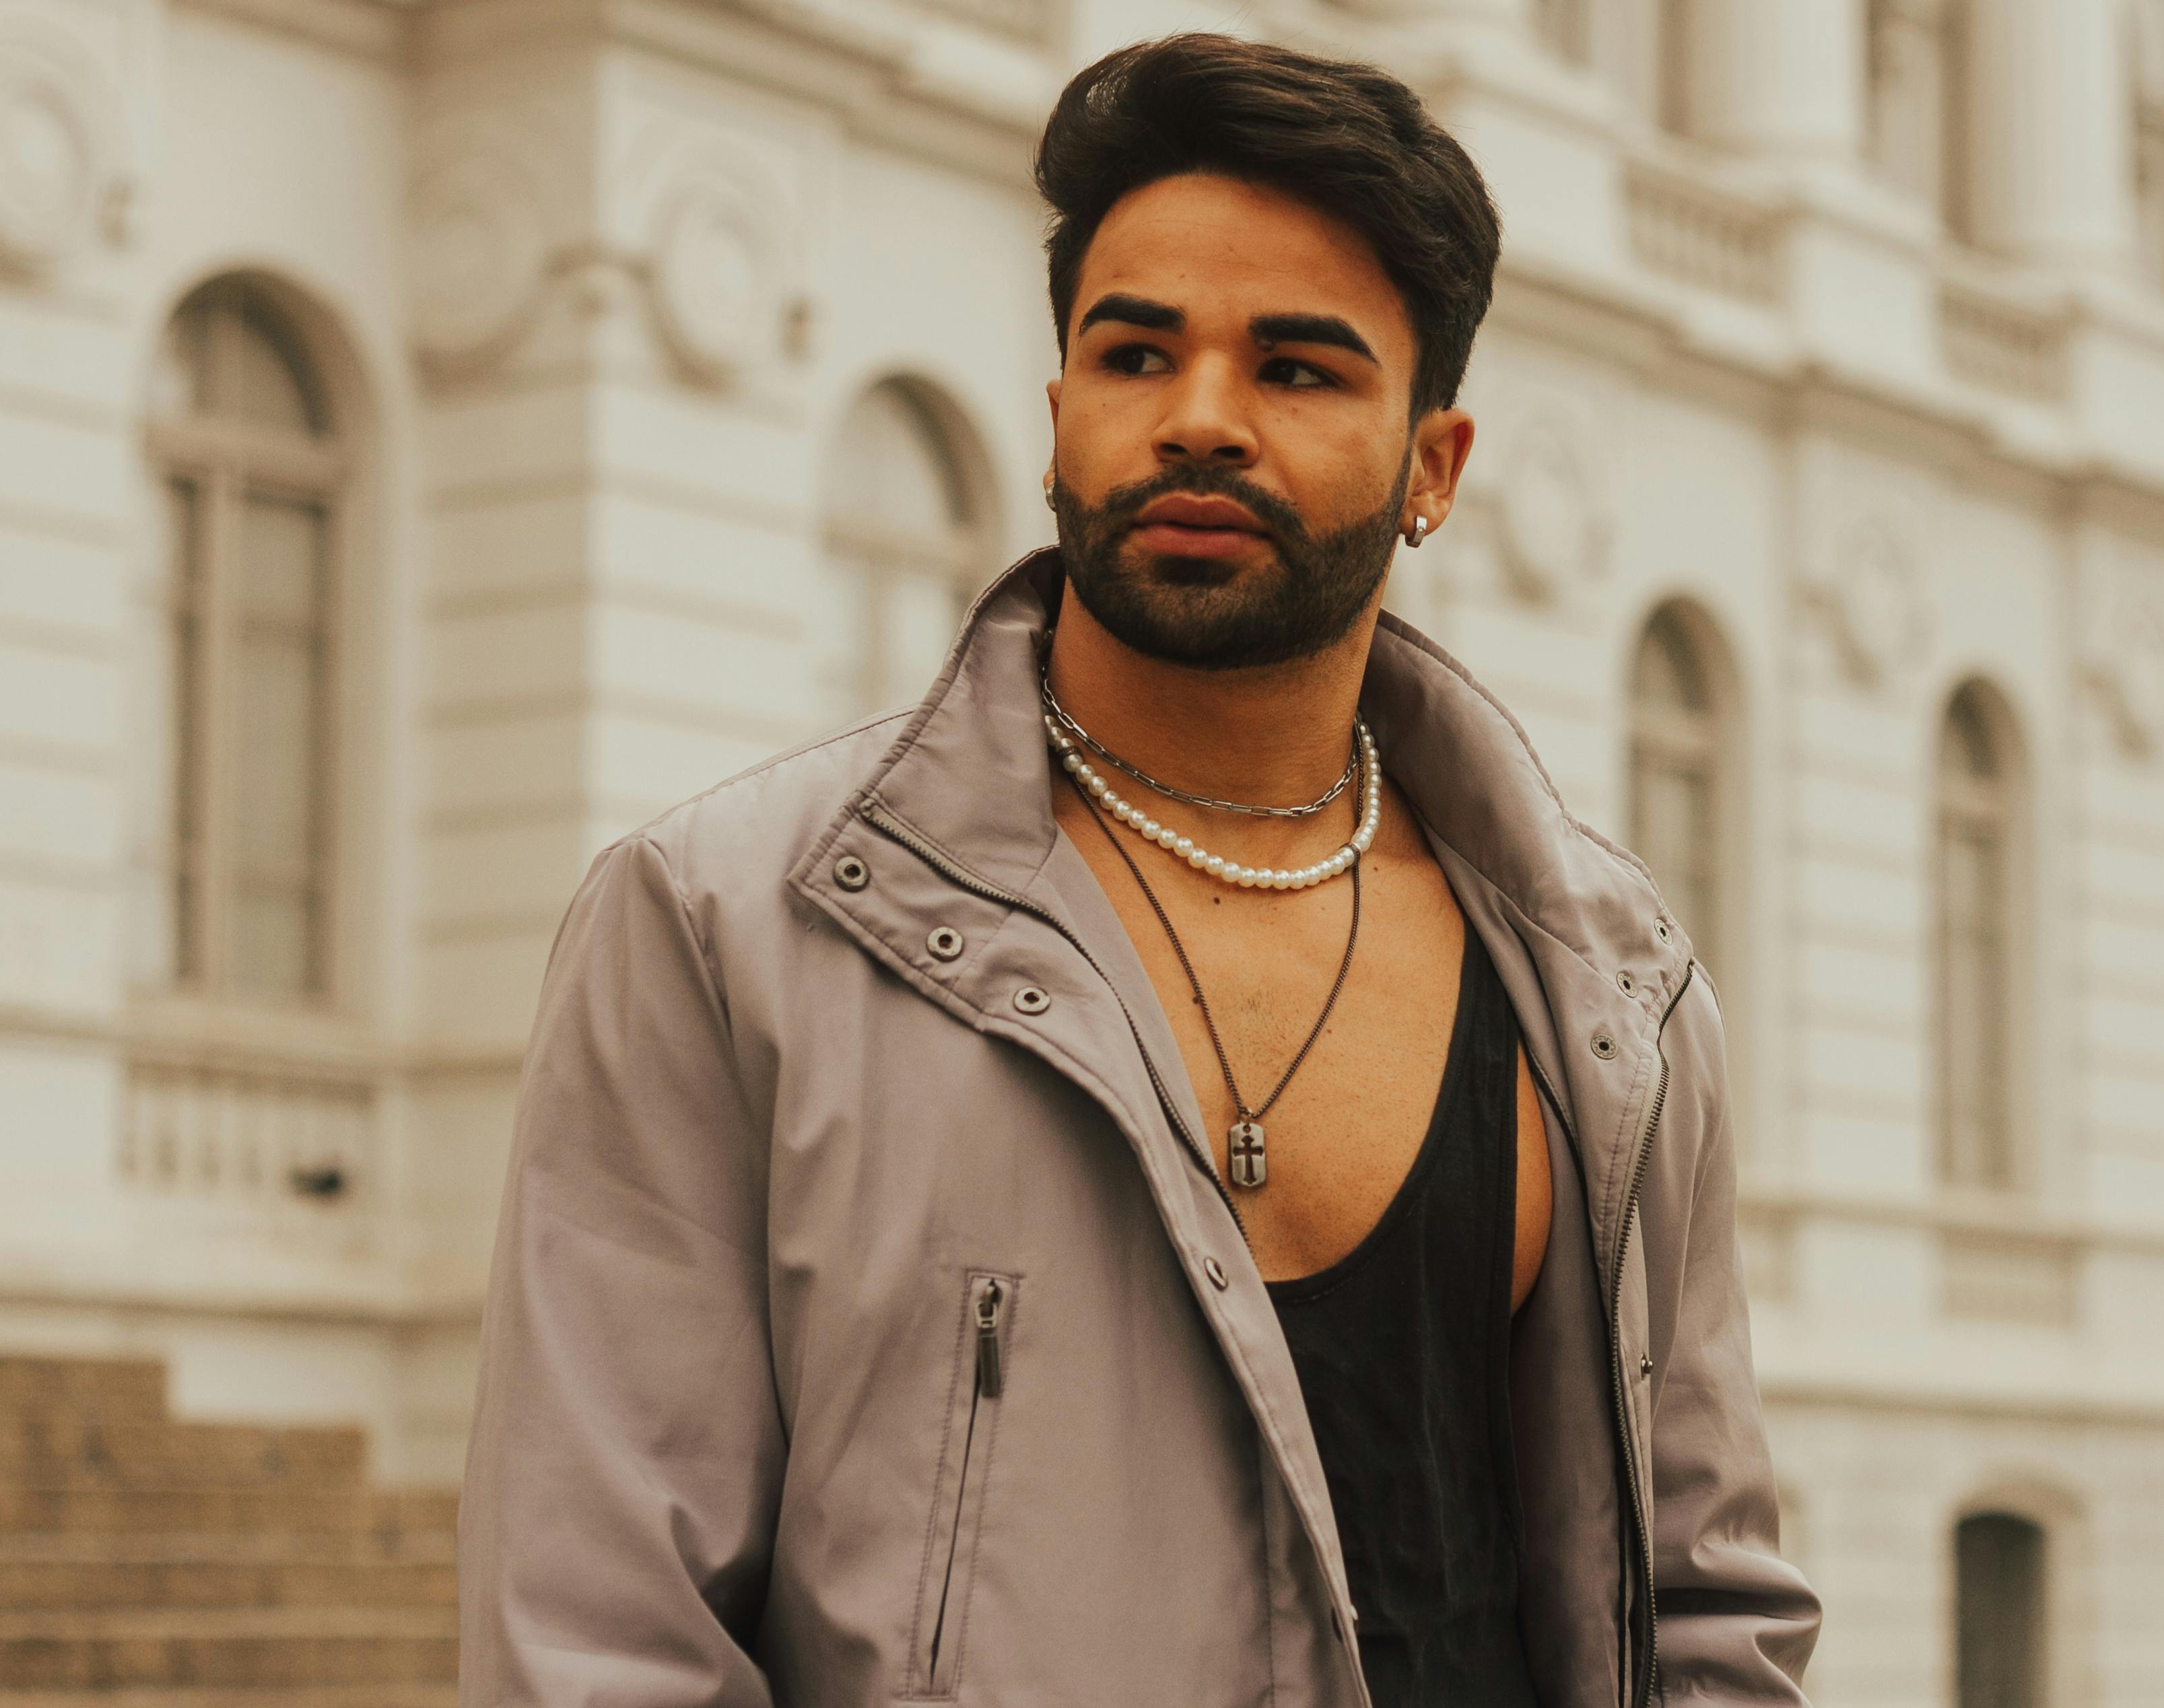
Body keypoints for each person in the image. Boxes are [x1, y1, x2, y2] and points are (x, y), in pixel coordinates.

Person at [458, 31, 1819, 1708]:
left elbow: (1703, 1605)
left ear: (1432, 474)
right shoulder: (720, 931)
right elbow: (601, 1638)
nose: (1197, 420)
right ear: (1055, 422)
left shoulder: (1612, 993)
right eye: (1134, 352)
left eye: (1299, 369)